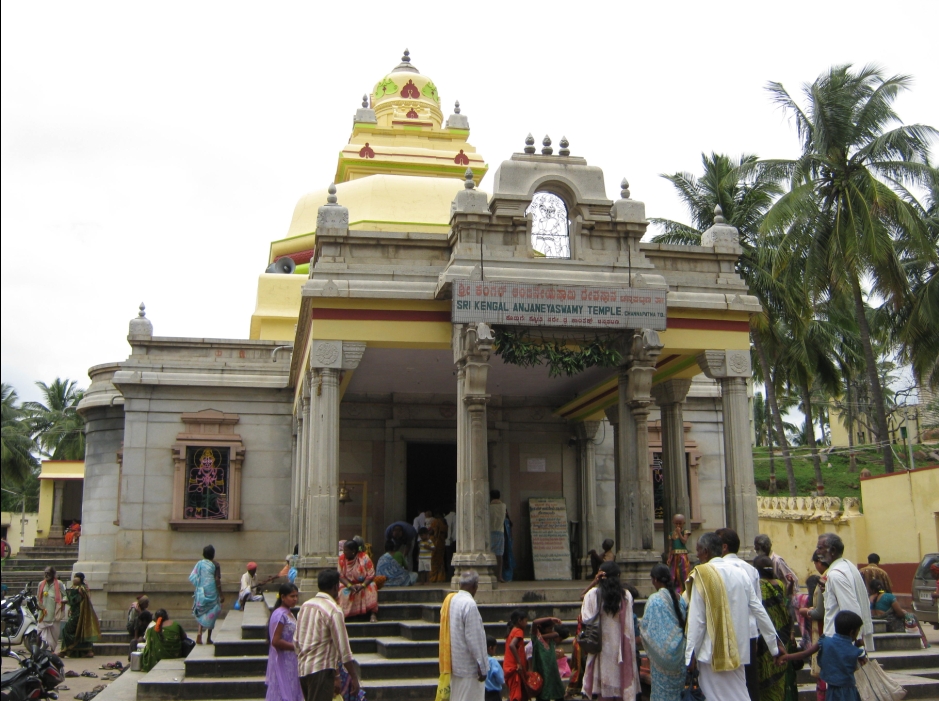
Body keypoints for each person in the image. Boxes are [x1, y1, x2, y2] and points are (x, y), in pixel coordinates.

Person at [683, 532, 781, 701]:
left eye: (698, 550)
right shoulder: (741, 573)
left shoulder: (702, 574)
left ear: (705, 551)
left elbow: (697, 620)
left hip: (711, 653)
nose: (696, 555)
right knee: (740, 695)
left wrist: (689, 655)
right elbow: (759, 610)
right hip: (738, 650)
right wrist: (774, 646)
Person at [296, 569, 359, 701]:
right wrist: (354, 676)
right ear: (336, 587)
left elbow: (296, 641)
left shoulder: (305, 606)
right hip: (321, 670)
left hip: (303, 669)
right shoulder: (334, 610)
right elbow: (344, 649)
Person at [580, 561, 640, 701]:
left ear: (600, 576)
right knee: (620, 691)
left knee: (602, 692)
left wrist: (594, 583)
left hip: (601, 648)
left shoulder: (593, 595)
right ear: (618, 576)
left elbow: (586, 618)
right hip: (621, 650)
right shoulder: (626, 596)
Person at [716, 527, 764, 701]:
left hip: (727, 633)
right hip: (749, 632)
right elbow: (757, 606)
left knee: (727, 684)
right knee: (749, 681)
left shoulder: (716, 570)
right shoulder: (750, 570)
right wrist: (757, 634)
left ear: (724, 547)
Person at [779, 611, 867, 701]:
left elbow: (805, 654)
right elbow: (858, 665)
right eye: (858, 631)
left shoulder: (825, 641)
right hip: (848, 692)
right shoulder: (854, 651)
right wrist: (859, 647)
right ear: (852, 632)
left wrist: (786, 657)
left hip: (832, 691)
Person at [815, 533, 873, 650]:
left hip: (839, 643)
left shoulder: (836, 575)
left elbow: (851, 610)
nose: (818, 552)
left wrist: (855, 645)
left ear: (832, 550)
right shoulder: (847, 566)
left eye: (820, 548)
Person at [639, 564, 687, 701]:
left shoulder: (654, 600)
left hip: (660, 660)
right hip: (680, 655)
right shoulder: (680, 599)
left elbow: (646, 628)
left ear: (655, 579)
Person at [753, 556, 798, 701]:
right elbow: (786, 607)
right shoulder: (779, 584)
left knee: (765, 683)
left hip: (766, 642)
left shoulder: (759, 587)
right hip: (781, 638)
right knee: (779, 682)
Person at [440, 570, 488, 701]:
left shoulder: (452, 600)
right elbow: (474, 638)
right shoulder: (469, 604)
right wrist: (482, 665)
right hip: (469, 669)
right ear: (475, 586)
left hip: (456, 664)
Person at [266, 583, 304, 701]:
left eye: (296, 596)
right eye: (292, 596)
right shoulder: (280, 615)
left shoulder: (289, 613)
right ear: (283, 597)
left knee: (293, 688)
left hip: (292, 660)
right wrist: (296, 647)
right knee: (283, 690)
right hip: (284, 659)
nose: (295, 599)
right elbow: (276, 641)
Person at [189, 544, 224, 644]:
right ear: (213, 554)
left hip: (202, 591)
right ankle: (208, 638)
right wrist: (221, 594)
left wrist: (200, 585)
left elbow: (193, 576)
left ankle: (199, 632)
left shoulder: (200, 564)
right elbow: (217, 579)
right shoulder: (216, 564)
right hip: (212, 592)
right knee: (212, 612)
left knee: (201, 612)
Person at [337, 538, 378, 622]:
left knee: (372, 587)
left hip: (364, 583)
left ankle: (373, 614)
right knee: (341, 591)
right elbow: (340, 576)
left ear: (353, 551)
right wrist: (349, 586)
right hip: (348, 584)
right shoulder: (341, 559)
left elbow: (371, 574)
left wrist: (363, 585)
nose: (344, 552)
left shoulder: (364, 557)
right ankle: (343, 615)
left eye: (346, 550)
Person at [61, 572, 100, 658]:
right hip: (75, 612)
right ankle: (74, 651)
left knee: (67, 629)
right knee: (77, 632)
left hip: (80, 614)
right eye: (74, 577)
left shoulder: (81, 588)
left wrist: (67, 601)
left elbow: (77, 600)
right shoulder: (75, 587)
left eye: (77, 577)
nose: (75, 579)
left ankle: (65, 650)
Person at [530, 617, 567, 701]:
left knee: (559, 694)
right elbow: (535, 622)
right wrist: (550, 618)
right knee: (543, 695)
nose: (551, 630)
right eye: (549, 628)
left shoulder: (550, 639)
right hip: (542, 673)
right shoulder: (536, 640)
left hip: (553, 672)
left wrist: (542, 636)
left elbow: (556, 634)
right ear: (542, 628)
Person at [504, 608, 532, 701]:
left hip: (510, 667)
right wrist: (519, 662)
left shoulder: (513, 630)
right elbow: (512, 645)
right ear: (520, 621)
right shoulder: (518, 631)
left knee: (519, 694)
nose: (526, 623)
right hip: (514, 668)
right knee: (516, 696)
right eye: (526, 621)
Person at [37, 567, 66, 652]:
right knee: (39, 633)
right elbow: (38, 597)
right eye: (45, 573)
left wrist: (63, 601)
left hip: (54, 615)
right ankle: (36, 652)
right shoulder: (41, 584)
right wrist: (39, 606)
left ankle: (52, 652)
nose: (46, 575)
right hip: (43, 614)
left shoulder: (59, 583)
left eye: (48, 573)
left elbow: (65, 595)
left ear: (53, 574)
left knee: (54, 637)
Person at [667, 514, 691, 594]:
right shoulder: (671, 534)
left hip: (682, 556)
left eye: (680, 523)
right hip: (674, 556)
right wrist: (669, 557)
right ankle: (674, 591)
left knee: (683, 572)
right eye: (676, 523)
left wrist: (679, 533)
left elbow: (684, 541)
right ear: (673, 523)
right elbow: (670, 546)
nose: (678, 525)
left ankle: (684, 590)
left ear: (683, 523)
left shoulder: (685, 532)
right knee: (673, 573)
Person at [490, 491, 508, 584]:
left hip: (489, 532)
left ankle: (491, 574)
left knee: (490, 555)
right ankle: (499, 576)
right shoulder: (503, 506)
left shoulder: (489, 507)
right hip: (500, 532)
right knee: (499, 555)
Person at [430, 512, 449, 583]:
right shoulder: (445, 523)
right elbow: (446, 535)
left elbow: (434, 532)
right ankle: (440, 577)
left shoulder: (436, 522)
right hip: (442, 543)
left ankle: (433, 578)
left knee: (433, 561)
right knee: (440, 561)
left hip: (436, 543)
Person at [485, 636, 505, 701]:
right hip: (494, 694)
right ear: (490, 648)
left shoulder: (480, 660)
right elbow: (500, 679)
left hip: (483, 693)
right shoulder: (493, 661)